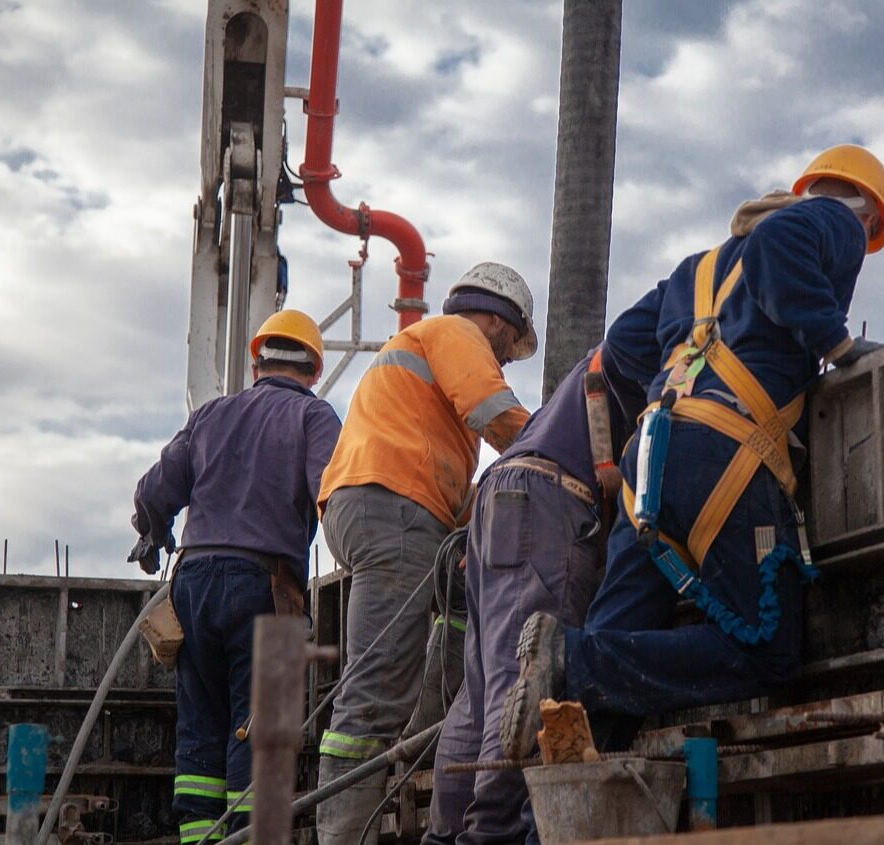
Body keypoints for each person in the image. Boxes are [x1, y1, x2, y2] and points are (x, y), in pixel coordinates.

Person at [499, 144, 884, 760]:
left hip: (649, 461)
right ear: (868, 211)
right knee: (766, 648)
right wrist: (837, 347)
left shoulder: (696, 271)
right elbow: (778, 249)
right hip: (725, 457)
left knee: (613, 648)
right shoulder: (837, 217)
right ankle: (573, 659)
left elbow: (623, 346)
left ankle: (551, 807)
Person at [316, 262, 537, 845]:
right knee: (372, 698)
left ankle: (430, 737)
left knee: (447, 624)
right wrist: (554, 451)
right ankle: (342, 838)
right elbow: (496, 414)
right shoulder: (458, 335)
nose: (507, 360)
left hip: (383, 507)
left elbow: (454, 484)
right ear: (497, 319)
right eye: (511, 348)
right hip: (394, 510)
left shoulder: (423, 364)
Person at [128, 310, 341, 843]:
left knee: (201, 722)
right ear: (313, 369)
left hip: (193, 582)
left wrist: (154, 535)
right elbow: (331, 494)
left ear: (256, 362)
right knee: (260, 727)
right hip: (265, 586)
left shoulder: (210, 416)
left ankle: (199, 837)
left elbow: (154, 491)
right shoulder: (315, 419)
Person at [422, 344, 646, 845]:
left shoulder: (565, 402)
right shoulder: (671, 357)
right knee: (522, 684)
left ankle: (444, 837)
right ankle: (489, 836)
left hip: (496, 499)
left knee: (479, 697)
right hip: (547, 502)